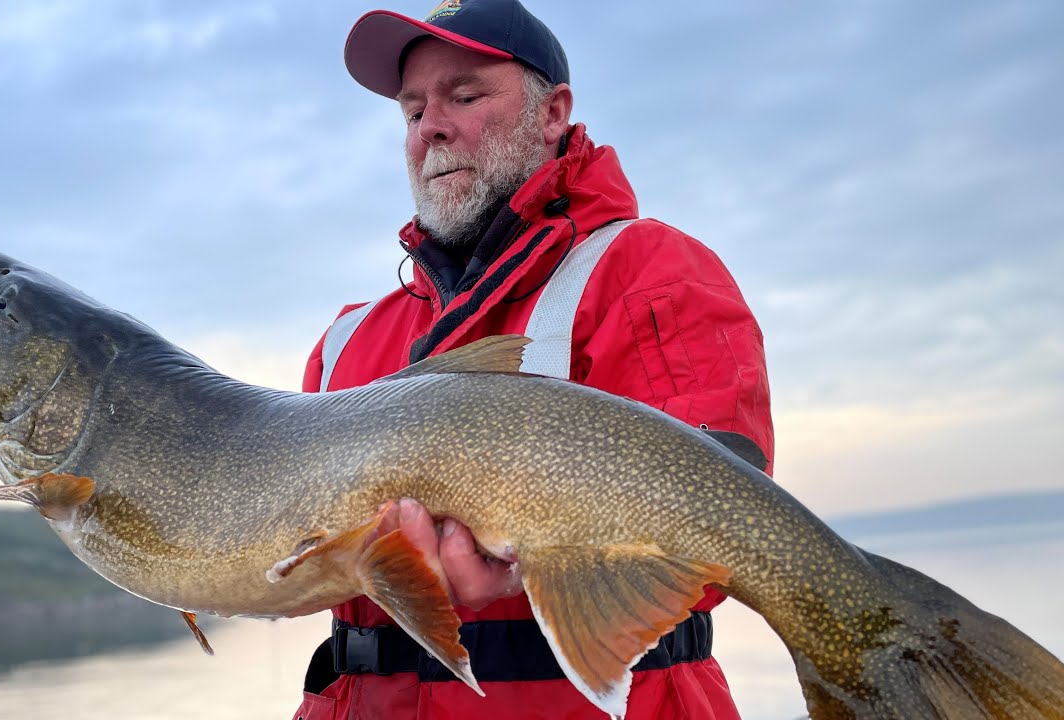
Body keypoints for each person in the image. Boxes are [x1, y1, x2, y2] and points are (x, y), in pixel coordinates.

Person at [293, 1, 774, 718]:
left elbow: (712, 536)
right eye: (412, 109)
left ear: (553, 115)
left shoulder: (650, 272)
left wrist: (529, 568)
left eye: (464, 95)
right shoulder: (343, 344)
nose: (431, 126)